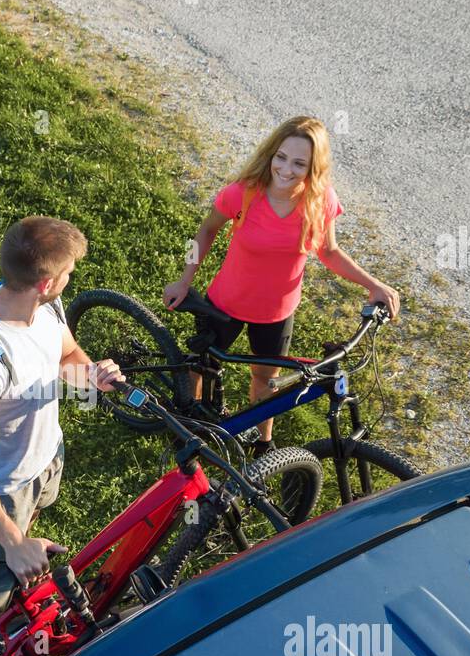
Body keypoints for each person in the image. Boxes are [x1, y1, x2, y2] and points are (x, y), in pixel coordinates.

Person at [163, 115, 401, 450]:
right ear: (271, 154)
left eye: (299, 163)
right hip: (226, 301)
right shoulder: (242, 193)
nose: (286, 169)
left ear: (313, 168)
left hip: (276, 311)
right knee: (202, 365)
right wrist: (184, 280)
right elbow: (205, 231)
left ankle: (263, 441)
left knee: (266, 379)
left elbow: (330, 252)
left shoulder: (320, 203)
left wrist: (372, 284)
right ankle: (189, 421)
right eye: (281, 157)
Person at [0, 216, 124, 630]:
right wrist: (12, 542)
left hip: (45, 456)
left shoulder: (43, 309)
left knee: (32, 519)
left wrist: (91, 374)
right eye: (67, 273)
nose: (71, 277)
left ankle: (23, 537)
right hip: (5, 485)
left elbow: (66, 356)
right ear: (45, 282)